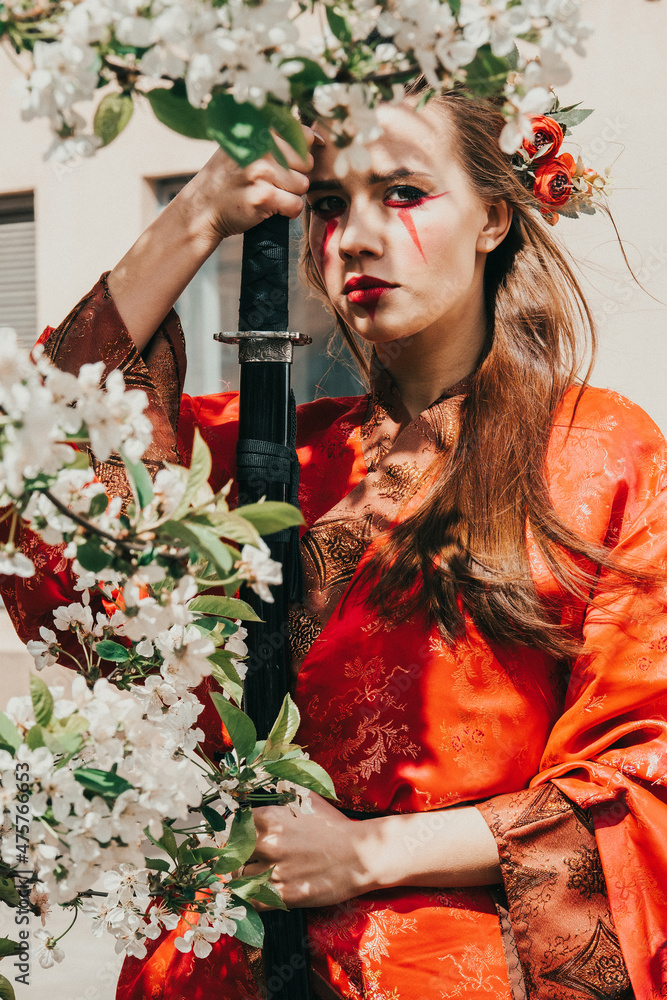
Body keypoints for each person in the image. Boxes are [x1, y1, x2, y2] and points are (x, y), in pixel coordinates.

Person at [3, 83, 667, 1000]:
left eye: (403, 193)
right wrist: (197, 212)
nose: (353, 236)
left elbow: (643, 776)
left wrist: (367, 854)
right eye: (325, 204)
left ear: (494, 218)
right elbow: (45, 459)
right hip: (218, 962)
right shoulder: (261, 456)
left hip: (452, 970)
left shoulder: (601, 454)